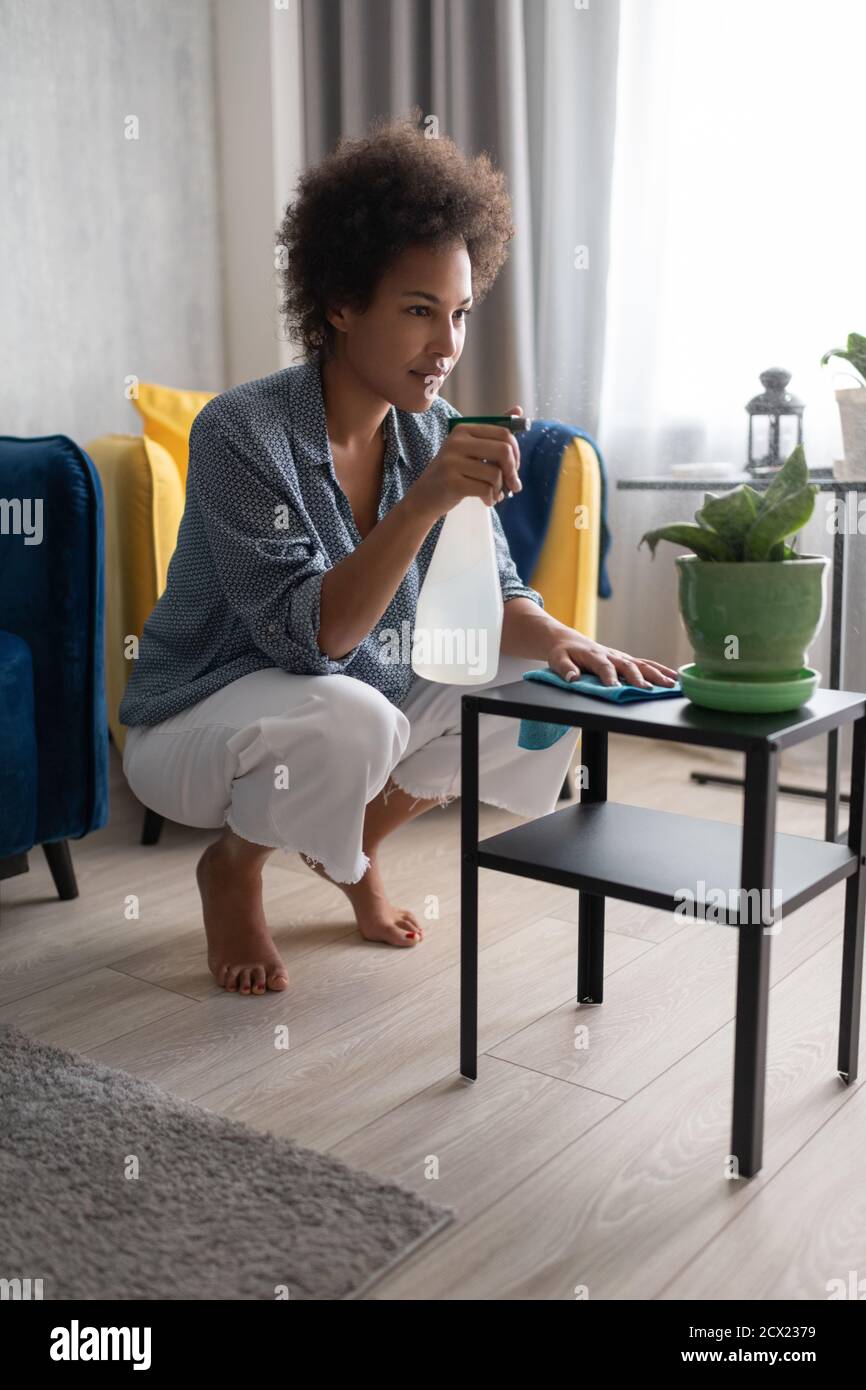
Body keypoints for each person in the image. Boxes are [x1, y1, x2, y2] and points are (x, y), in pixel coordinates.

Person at [119, 112, 678, 998]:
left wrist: (566, 641)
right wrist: (424, 503)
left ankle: (354, 846)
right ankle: (233, 867)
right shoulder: (241, 431)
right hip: (200, 718)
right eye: (419, 310)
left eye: (458, 313)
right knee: (352, 719)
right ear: (340, 304)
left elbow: (495, 593)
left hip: (350, 699)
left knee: (541, 691)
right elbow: (315, 640)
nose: (447, 344)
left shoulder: (435, 430)